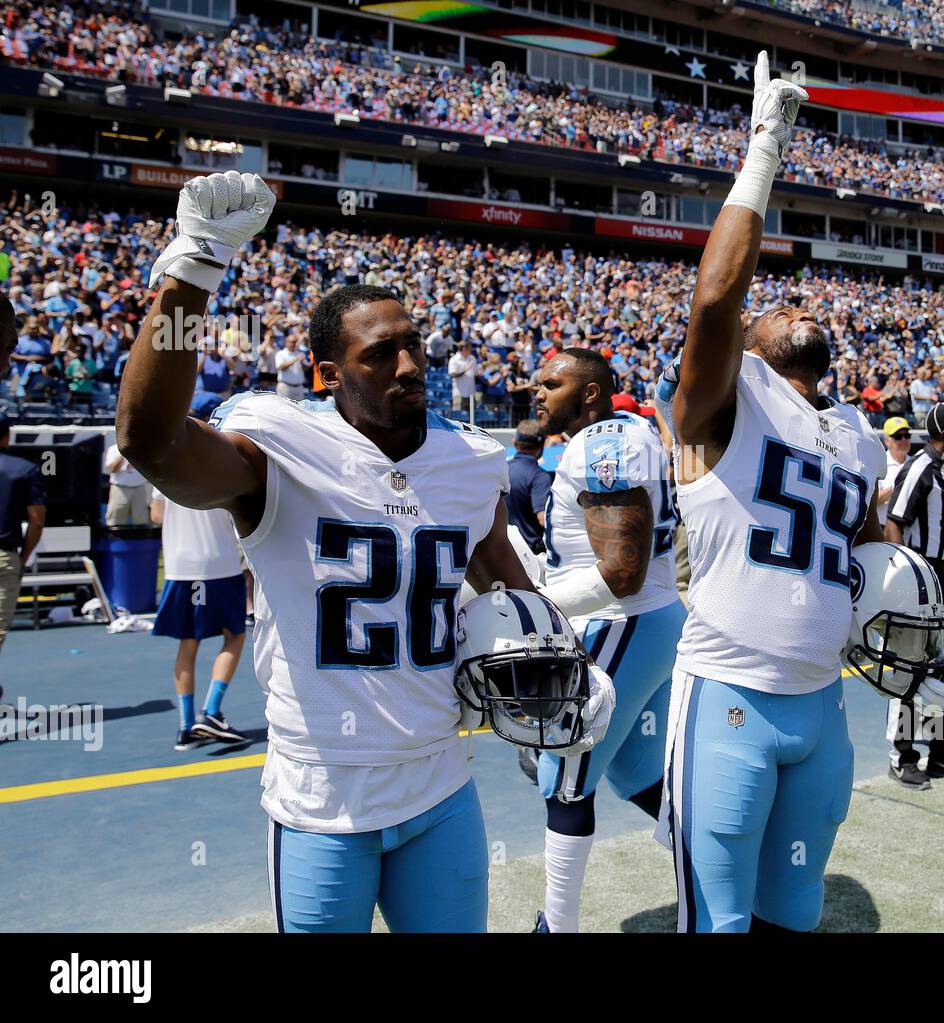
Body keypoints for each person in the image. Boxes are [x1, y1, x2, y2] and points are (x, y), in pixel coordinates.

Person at [115, 171, 613, 933]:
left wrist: (570, 662)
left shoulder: (468, 462)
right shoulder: (279, 443)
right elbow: (149, 442)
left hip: (441, 784)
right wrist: (192, 268)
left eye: (413, 345)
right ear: (328, 375)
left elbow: (514, 591)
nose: (410, 366)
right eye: (381, 355)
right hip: (322, 798)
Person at [659, 55, 890, 932]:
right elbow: (715, 300)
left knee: (794, 911)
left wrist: (919, 614)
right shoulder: (730, 395)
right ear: (751, 342)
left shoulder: (860, 435)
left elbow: (873, 546)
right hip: (729, 694)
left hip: (825, 703)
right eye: (777, 302)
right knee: (715, 922)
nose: (797, 307)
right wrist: (764, 152)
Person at [527, 347, 686, 933]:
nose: (537, 393)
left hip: (625, 622)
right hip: (649, 622)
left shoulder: (603, 444)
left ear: (589, 392)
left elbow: (622, 573)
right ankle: (732, 874)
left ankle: (558, 926)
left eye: (550, 383)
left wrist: (532, 606)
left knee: (563, 778)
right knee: (637, 771)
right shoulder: (622, 435)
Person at [884, 400, 944, 787]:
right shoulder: (921, 467)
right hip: (926, 578)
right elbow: (895, 522)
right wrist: (908, 581)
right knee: (910, 669)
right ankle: (901, 754)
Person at [150, 482, 249, 752]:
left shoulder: (162, 465)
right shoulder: (219, 460)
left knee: (188, 642)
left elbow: (156, 516)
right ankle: (212, 711)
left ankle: (186, 727)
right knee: (235, 635)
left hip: (179, 565)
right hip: (218, 563)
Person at [0, 408, 45, 655]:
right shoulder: (24, 470)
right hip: (6, 557)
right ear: (7, 435)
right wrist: (23, 558)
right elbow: (37, 521)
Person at [505, 418, 551, 556]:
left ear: (515, 443)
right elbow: (543, 518)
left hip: (502, 551)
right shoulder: (540, 476)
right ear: (542, 445)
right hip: (530, 554)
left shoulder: (500, 470)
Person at [874, 415, 912, 528]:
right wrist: (897, 486)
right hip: (883, 528)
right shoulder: (878, 464)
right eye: (898, 436)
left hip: (909, 529)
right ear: (886, 440)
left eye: (907, 435)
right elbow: (871, 502)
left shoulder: (916, 464)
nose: (904, 440)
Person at [103, 441, 152, 526]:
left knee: (141, 521)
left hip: (139, 489)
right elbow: (112, 469)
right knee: (116, 519)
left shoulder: (143, 449)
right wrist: (123, 453)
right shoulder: (113, 449)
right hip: (120, 489)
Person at [274, 333, 309, 400]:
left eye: (295, 342)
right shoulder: (280, 354)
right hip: (285, 387)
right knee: (283, 408)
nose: (294, 344)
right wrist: (295, 359)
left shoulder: (300, 353)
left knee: (299, 409)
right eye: (292, 342)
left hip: (299, 387)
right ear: (286, 342)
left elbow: (306, 369)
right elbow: (280, 367)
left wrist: (302, 362)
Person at [448, 341, 478, 414]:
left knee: (472, 417)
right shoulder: (454, 359)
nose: (469, 350)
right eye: (468, 349)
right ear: (463, 349)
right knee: (458, 417)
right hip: (459, 393)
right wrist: (464, 370)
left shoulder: (472, 358)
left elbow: (475, 373)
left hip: (471, 393)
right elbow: (452, 374)